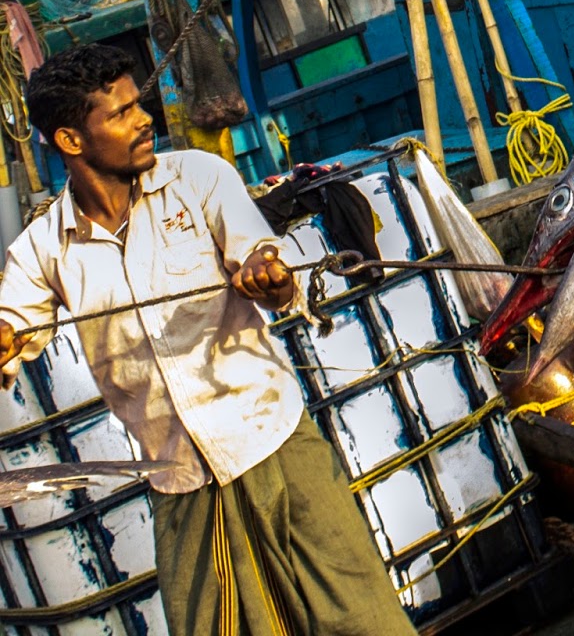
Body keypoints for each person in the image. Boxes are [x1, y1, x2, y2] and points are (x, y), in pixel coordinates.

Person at [0, 44, 415, 635]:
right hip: (179, 480)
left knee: (363, 620)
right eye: (119, 113)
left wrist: (266, 278)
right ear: (70, 141)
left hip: (271, 439)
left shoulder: (199, 178)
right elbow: (13, 325)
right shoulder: (43, 249)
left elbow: (262, 260)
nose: (143, 119)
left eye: (138, 104)